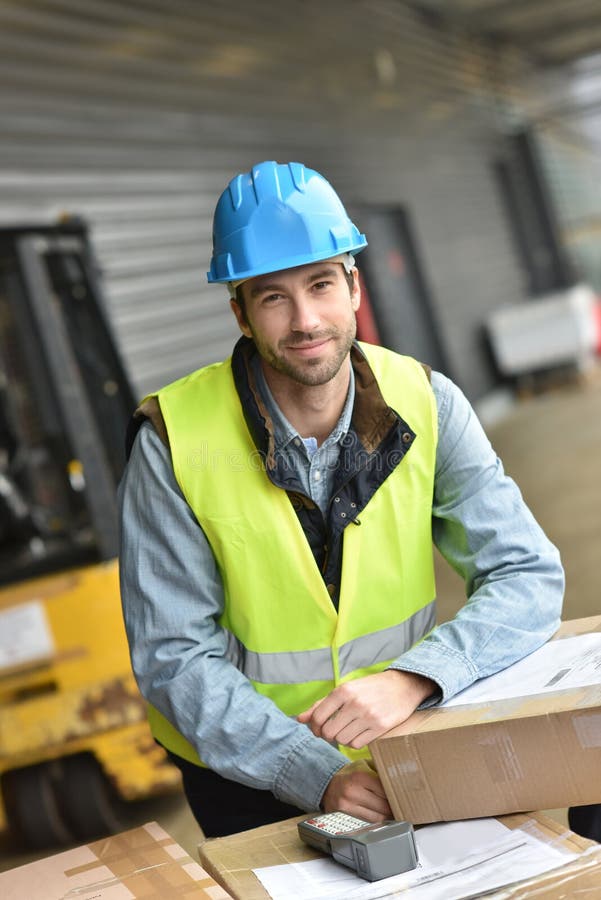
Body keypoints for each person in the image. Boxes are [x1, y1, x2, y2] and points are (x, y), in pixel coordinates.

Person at [119, 160, 564, 838]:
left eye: (321, 284)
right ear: (238, 311)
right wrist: (312, 770)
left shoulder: (428, 401)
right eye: (272, 297)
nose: (305, 321)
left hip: (409, 740)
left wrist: (415, 678)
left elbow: (526, 574)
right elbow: (173, 657)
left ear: (353, 285)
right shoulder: (171, 439)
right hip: (248, 778)